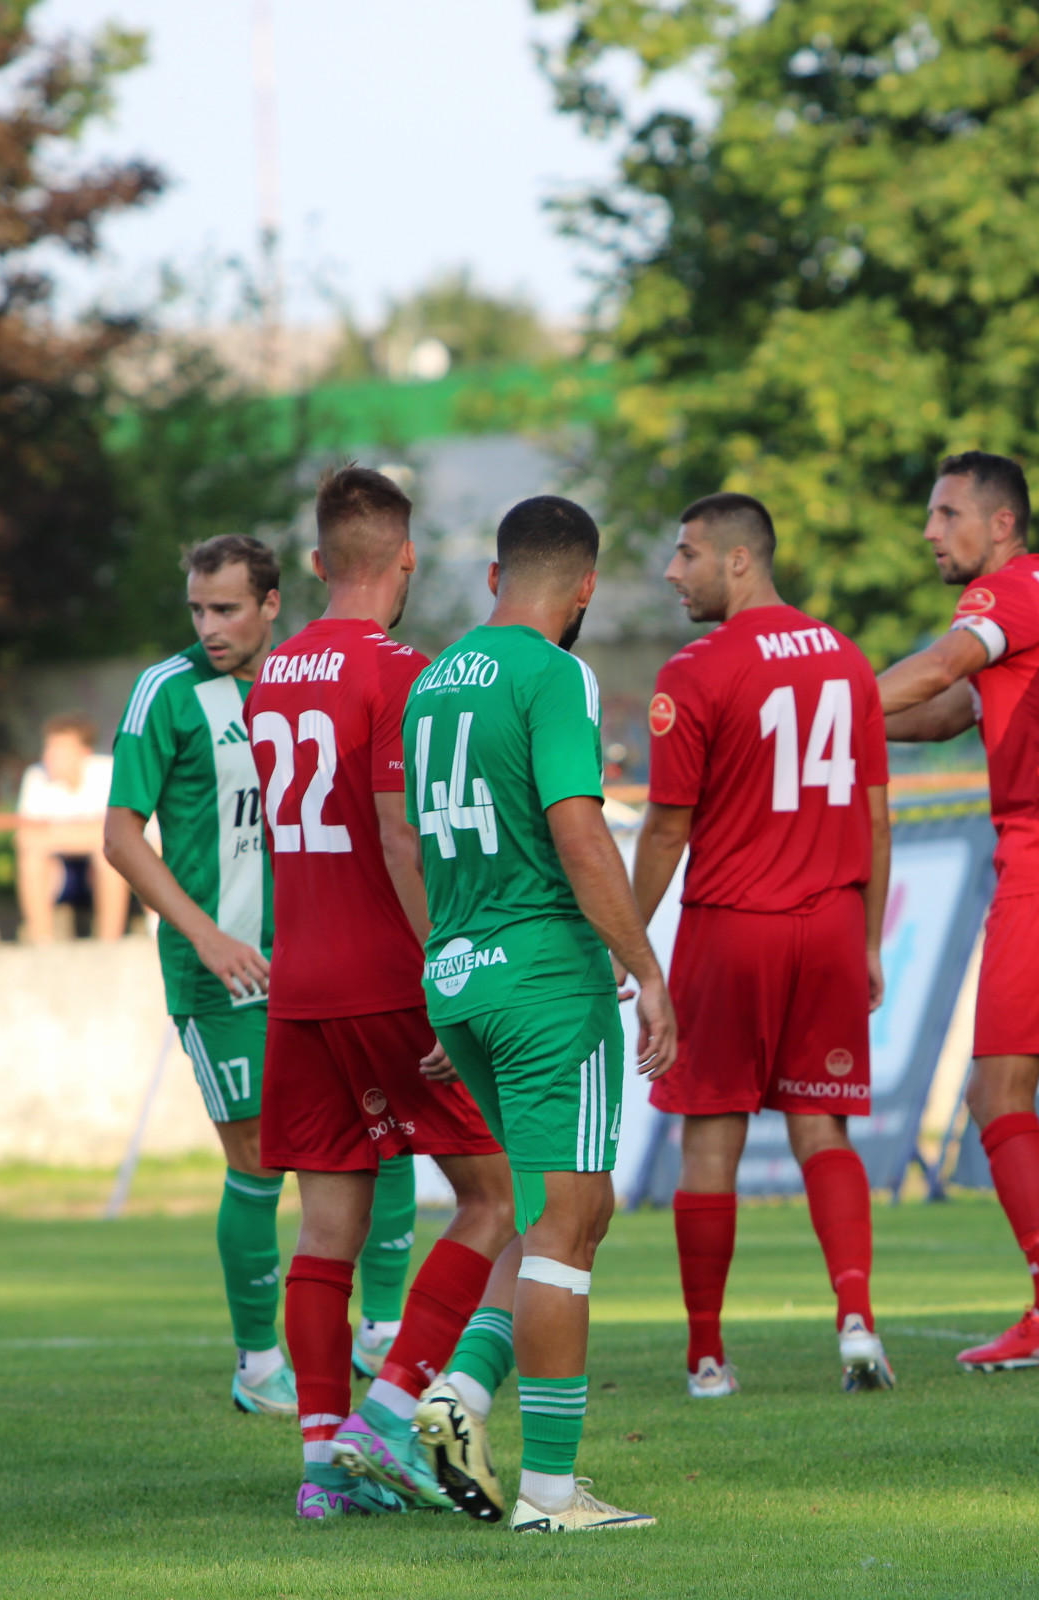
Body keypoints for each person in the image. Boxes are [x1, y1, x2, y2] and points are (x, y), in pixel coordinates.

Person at [244, 465, 515, 1521]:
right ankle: (390, 1410)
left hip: (300, 979)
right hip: (388, 976)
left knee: (323, 1233)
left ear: (315, 565)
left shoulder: (273, 676)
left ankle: (321, 1466)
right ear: (406, 560)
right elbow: (403, 834)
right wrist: (446, 964)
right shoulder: (406, 672)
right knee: (497, 1197)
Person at [403, 494, 675, 1534]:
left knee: (564, 1210)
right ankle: (554, 1495)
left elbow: (424, 842)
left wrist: (453, 967)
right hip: (545, 980)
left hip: (462, 980)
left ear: (493, 580)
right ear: (585, 591)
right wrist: (644, 964)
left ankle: (456, 1395)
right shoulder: (557, 673)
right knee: (568, 1226)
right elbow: (579, 828)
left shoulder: (434, 682)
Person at [100, 537, 417, 1416]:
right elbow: (121, 836)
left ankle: (381, 1330)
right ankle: (255, 1361)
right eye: (199, 609)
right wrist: (204, 937)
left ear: (273, 604)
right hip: (224, 973)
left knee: (386, 1132)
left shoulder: (302, 681)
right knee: (257, 1161)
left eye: (228, 608)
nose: (210, 627)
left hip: (324, 958)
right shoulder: (166, 694)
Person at [876, 451, 1039, 1371]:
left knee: (996, 1095)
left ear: (1000, 524)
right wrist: (861, 723)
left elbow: (944, 665)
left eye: (946, 512)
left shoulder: (1006, 596)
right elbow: (954, 709)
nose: (929, 531)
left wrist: (818, 702)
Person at [633, 492, 894, 1399]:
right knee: (823, 1127)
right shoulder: (846, 657)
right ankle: (857, 1321)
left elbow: (667, 830)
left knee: (711, 1141)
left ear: (739, 560)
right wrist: (865, 938)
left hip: (732, 925)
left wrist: (627, 940)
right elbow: (873, 813)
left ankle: (707, 1357)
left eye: (687, 553)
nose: (673, 571)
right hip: (828, 924)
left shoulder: (698, 669)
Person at [15, 712, 128, 943]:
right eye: (49, 748)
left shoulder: (108, 772)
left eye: (60, 750)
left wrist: (54, 835)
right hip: (60, 872)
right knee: (31, 859)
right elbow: (25, 838)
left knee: (107, 859)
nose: (50, 756)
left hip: (101, 867)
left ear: (84, 753)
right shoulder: (36, 776)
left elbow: (117, 835)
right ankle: (42, 943)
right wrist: (90, 833)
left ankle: (110, 943)